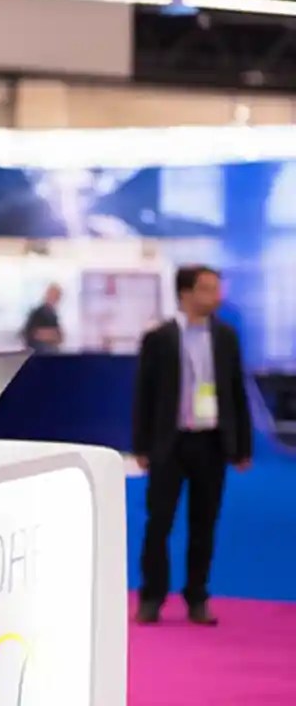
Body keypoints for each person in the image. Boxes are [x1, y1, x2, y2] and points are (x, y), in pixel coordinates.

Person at [133, 265, 252, 626]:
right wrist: (141, 445)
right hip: (170, 443)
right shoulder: (160, 338)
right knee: (160, 522)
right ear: (185, 293)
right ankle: (152, 596)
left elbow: (236, 392)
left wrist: (241, 446)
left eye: (217, 288)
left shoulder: (227, 337)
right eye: (207, 289)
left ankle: (197, 596)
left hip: (211, 442)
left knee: (204, 523)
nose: (215, 296)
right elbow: (144, 395)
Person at [22, 283, 63, 352]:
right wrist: (50, 335)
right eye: (53, 295)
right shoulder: (37, 312)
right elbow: (31, 333)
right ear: (47, 295)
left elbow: (60, 337)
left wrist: (52, 335)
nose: (55, 299)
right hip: (38, 351)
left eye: (57, 296)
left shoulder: (53, 315)